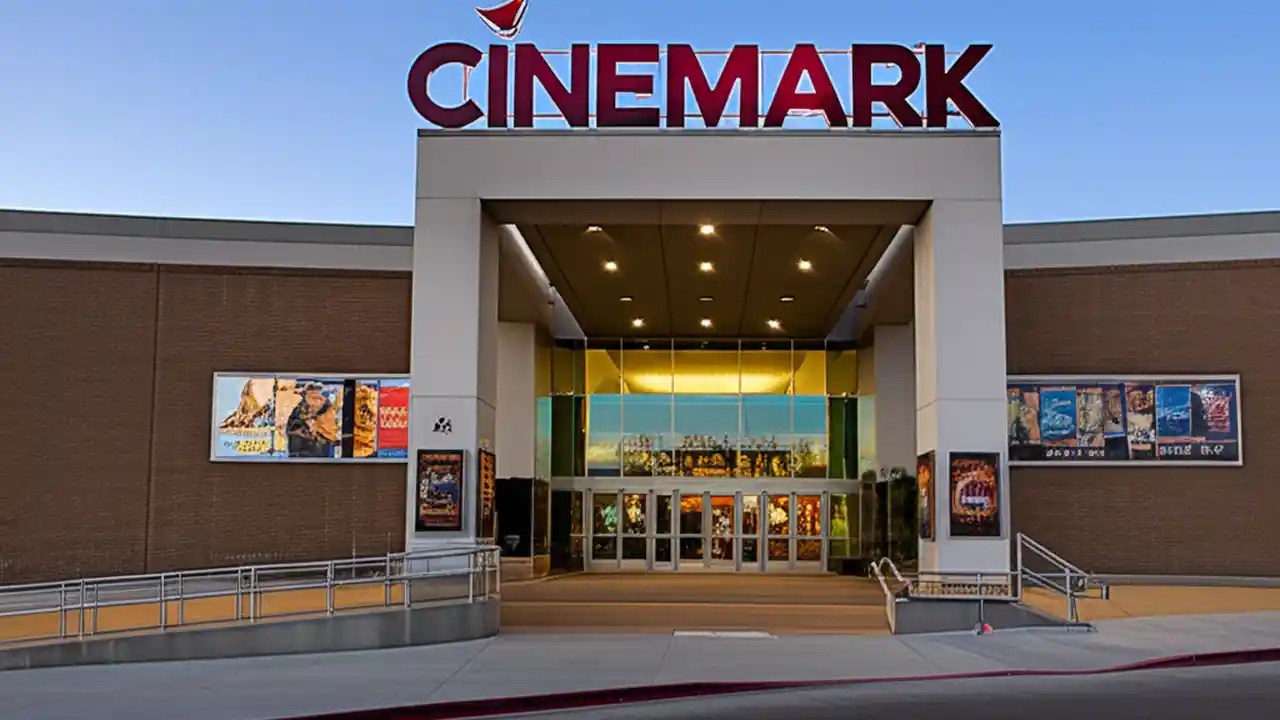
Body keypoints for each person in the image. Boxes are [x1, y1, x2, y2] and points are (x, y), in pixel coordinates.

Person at [286, 382, 339, 457]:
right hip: (302, 455)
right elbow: (289, 430)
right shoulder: (298, 410)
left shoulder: (326, 410)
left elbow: (330, 435)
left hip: (317, 455)